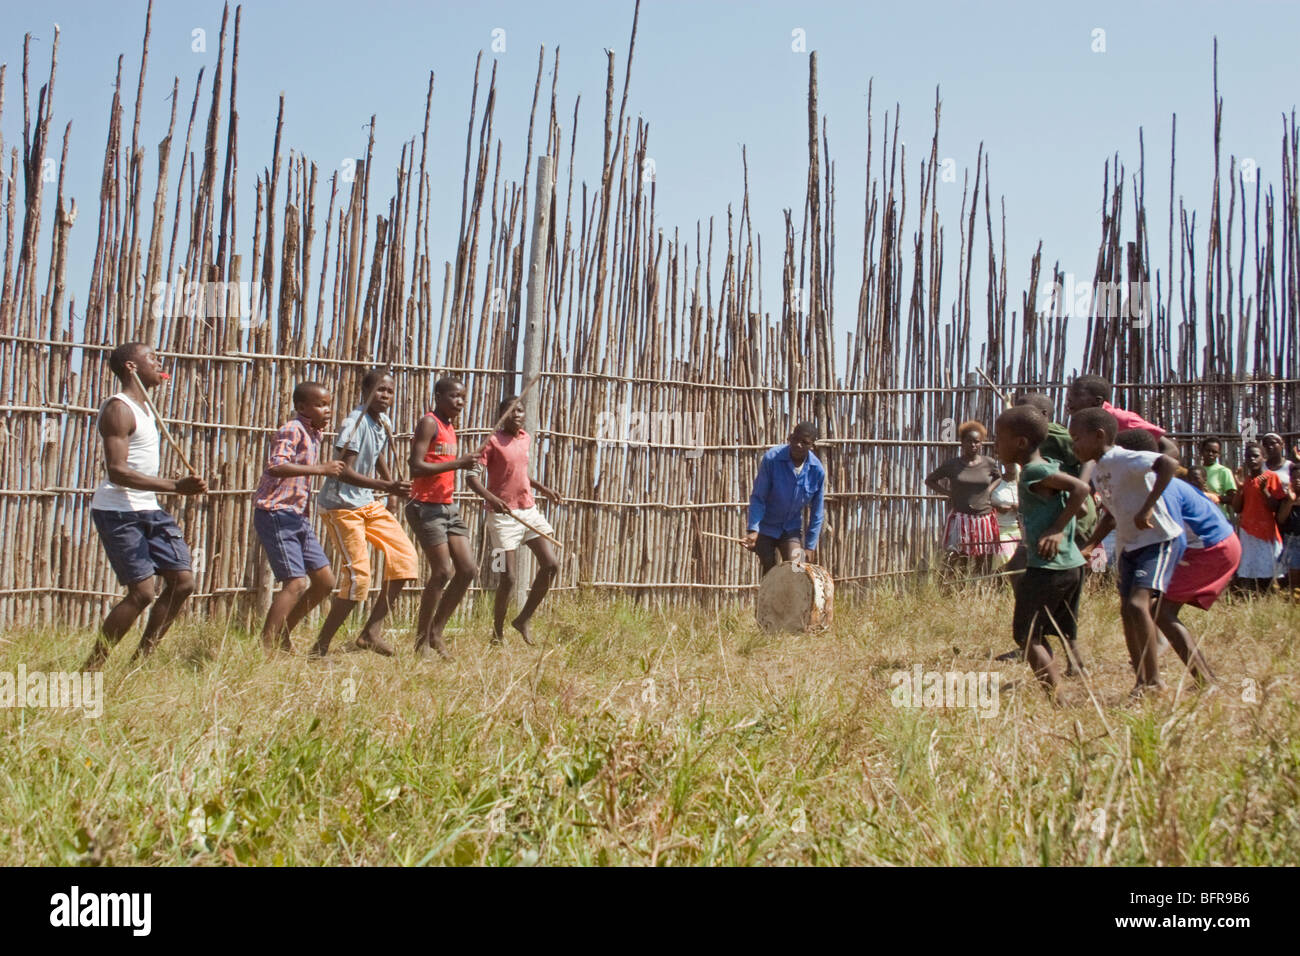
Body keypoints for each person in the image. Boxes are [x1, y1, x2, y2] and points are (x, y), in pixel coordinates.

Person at [83, 343, 209, 670]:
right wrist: (174, 487)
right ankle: (93, 667)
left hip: (148, 508)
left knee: (183, 582)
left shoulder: (145, 408)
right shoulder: (118, 408)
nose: (160, 362)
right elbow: (117, 471)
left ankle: (140, 662)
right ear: (131, 366)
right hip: (118, 511)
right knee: (142, 593)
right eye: (152, 357)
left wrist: (177, 485)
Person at [1072, 407, 1186, 698]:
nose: (1074, 446)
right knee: (1126, 610)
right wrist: (1090, 545)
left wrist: (1148, 506)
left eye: (1077, 439)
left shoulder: (1123, 457)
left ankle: (1155, 683)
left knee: (1138, 606)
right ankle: (1140, 681)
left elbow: (1168, 465)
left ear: (1099, 436)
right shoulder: (1098, 470)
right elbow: (1110, 514)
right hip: (1130, 544)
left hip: (1157, 539)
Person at [309, 369, 418, 658]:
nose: (385, 396)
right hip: (342, 506)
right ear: (365, 392)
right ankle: (319, 648)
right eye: (379, 390)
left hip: (367, 502)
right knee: (359, 579)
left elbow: (378, 451)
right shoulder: (353, 425)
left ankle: (371, 633)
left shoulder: (382, 422)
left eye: (389, 391)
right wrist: (388, 485)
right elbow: (344, 472)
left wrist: (390, 487)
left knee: (406, 559)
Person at [1114, 430, 1236, 686]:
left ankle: (1205, 681)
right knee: (1156, 609)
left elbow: (1176, 538)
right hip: (1209, 545)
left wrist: (1157, 577)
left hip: (1212, 548)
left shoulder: (1160, 488)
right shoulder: (1145, 483)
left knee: (1161, 611)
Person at [994, 406, 1092, 695]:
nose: (996, 445)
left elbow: (1082, 491)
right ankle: (1070, 682)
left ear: (1021, 443)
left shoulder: (1035, 471)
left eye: (1000, 439)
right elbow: (1081, 504)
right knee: (1045, 630)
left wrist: (1057, 528)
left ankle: (1057, 696)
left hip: (1050, 568)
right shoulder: (1048, 466)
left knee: (1026, 634)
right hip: (1069, 566)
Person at [252, 382, 344, 654]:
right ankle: (267, 647)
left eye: (328, 404)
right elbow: (276, 465)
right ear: (302, 407)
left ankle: (283, 634)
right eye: (320, 405)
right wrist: (320, 469)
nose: (327, 410)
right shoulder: (292, 429)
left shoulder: (313, 433)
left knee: (325, 582)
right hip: (276, 512)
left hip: (297, 516)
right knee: (295, 582)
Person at [466, 395, 563, 646]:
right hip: (501, 518)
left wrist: (543, 488)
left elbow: (519, 473)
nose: (516, 415)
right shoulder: (491, 442)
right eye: (510, 411)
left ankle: (523, 620)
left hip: (528, 511)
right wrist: (491, 498)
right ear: (501, 415)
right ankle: (497, 634)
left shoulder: (525, 438)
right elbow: (471, 479)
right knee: (507, 577)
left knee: (551, 565)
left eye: (520, 410)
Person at [406, 376, 479, 661]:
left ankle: (436, 632)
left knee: (468, 570)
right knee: (442, 572)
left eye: (463, 397)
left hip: (447, 506)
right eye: (453, 396)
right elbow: (415, 466)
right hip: (425, 506)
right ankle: (421, 642)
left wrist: (460, 465)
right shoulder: (429, 423)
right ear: (437, 395)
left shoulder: (450, 427)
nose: (460, 401)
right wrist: (458, 463)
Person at [1015, 392, 1098, 549]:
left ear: (1044, 414)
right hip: (1055, 511)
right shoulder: (1030, 438)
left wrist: (1080, 487)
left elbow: (1089, 458)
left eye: (1026, 413)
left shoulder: (1054, 434)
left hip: (1073, 511)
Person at [743, 422, 826, 574]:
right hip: (765, 527)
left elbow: (817, 513)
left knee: (797, 568)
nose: (798, 445)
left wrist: (809, 547)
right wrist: (753, 529)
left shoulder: (817, 471)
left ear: (812, 446)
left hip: (791, 528)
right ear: (790, 437)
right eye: (795, 439)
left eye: (805, 442)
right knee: (770, 570)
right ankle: (769, 597)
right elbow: (758, 497)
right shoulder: (772, 459)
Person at [924, 421, 1001, 574]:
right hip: (961, 519)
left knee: (983, 560)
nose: (973, 445)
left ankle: (979, 592)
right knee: (957, 560)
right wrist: (948, 493)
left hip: (983, 519)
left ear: (981, 444)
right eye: (969, 441)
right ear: (962, 443)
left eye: (977, 442)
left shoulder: (989, 463)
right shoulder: (953, 465)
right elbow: (930, 480)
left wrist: (989, 490)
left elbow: (998, 477)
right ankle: (952, 592)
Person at [1231, 441, 1286, 593]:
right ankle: (1252, 598)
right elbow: (1237, 508)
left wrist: (1264, 491)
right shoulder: (1247, 480)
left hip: (1266, 531)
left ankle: (1270, 599)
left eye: (1256, 456)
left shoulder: (1271, 477)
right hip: (1248, 531)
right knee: (1250, 569)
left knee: (1269, 569)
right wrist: (1240, 488)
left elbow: (1276, 507)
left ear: (1264, 458)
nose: (1252, 460)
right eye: (1248, 457)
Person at [989, 466, 1022, 569]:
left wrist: (1020, 508)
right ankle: (1003, 582)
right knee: (1005, 558)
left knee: (1020, 562)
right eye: (1008, 463)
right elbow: (982, 501)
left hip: (1019, 530)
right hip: (1000, 528)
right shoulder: (995, 482)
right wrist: (996, 507)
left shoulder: (1022, 484)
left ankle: (1011, 585)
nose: (1010, 466)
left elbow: (1034, 504)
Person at [1199, 438, 1236, 519]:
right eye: (1207, 450)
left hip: (1218, 517)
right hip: (1199, 517)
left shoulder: (1223, 471)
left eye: (1214, 452)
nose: (1210, 454)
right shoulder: (1196, 471)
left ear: (1219, 454)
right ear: (1201, 451)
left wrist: (1214, 497)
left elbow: (1232, 498)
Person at [1279, 467, 1300, 598]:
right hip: (1292, 542)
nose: (1297, 480)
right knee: (1294, 580)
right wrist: (1290, 501)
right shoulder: (1286, 499)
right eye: (1294, 478)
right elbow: (1281, 519)